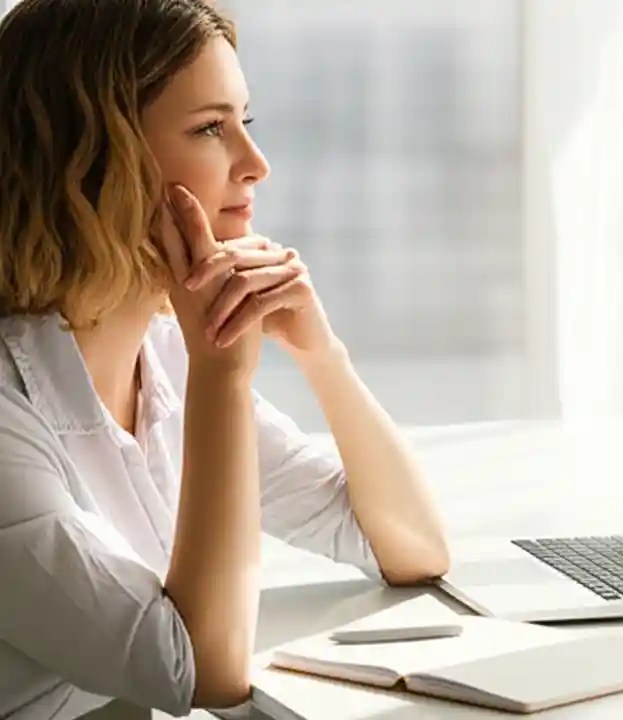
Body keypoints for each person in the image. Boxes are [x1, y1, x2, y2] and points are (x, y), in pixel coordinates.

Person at [0, 1, 451, 717]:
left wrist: (322, 354)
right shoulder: (14, 414)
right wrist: (222, 375)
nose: (256, 164)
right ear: (94, 159)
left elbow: (412, 546)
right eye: (211, 128)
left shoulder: (164, 357)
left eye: (246, 121)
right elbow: (205, 671)